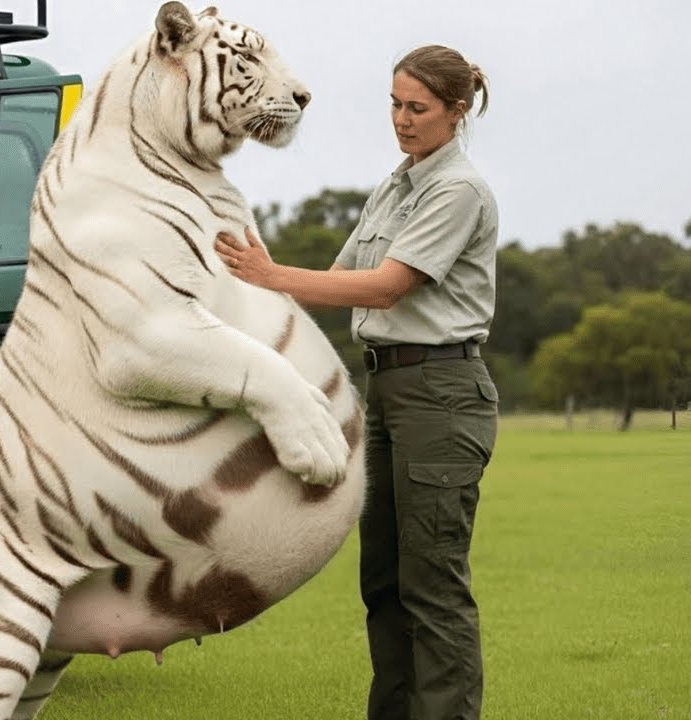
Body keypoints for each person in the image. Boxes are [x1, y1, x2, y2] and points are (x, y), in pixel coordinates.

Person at [215, 45, 498, 720]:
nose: (402, 120)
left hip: (442, 394)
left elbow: (387, 286)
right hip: (387, 394)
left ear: (456, 113)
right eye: (395, 104)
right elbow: (339, 281)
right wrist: (234, 298)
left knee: (432, 586)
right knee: (385, 584)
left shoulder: (456, 190)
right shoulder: (396, 185)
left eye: (419, 108)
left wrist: (272, 276)